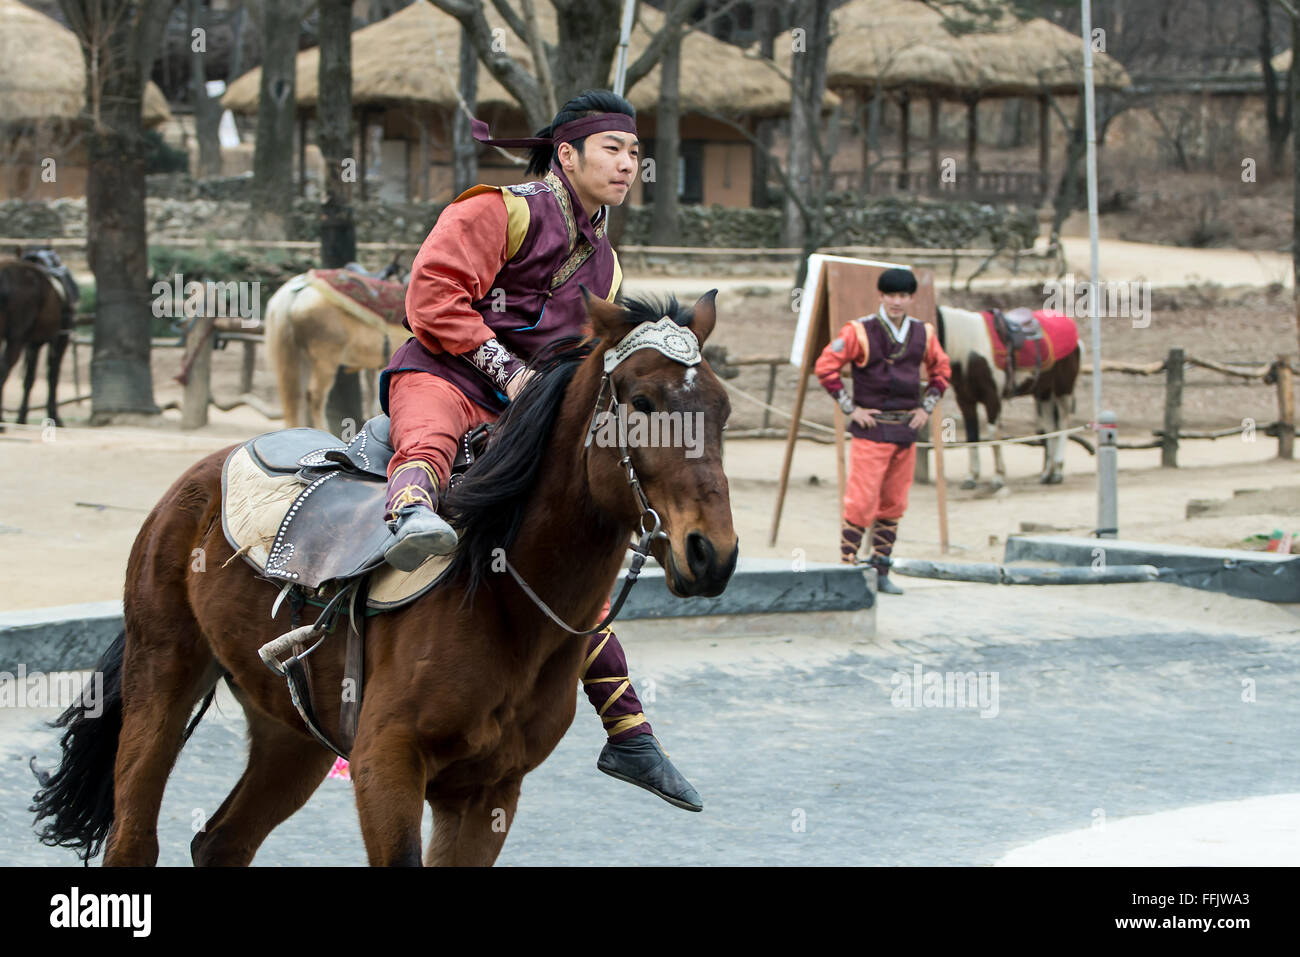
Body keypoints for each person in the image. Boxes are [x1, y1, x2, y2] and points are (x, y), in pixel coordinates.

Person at [375, 90, 701, 811]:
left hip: (530, 418)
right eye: (613, 150)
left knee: (564, 547)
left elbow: (586, 359)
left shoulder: (608, 265)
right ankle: (409, 512)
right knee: (429, 428)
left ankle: (628, 729)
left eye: (636, 154)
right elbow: (430, 298)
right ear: (567, 154)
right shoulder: (497, 211)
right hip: (445, 372)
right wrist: (510, 373)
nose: (628, 165)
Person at [814, 268, 952, 595]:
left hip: (905, 430)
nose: (897, 301)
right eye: (891, 295)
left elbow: (941, 370)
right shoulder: (859, 331)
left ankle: (881, 568)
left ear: (911, 298)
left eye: (903, 295)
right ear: (881, 296)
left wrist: (926, 408)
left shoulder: (924, 333)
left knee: (893, 503)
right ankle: (848, 569)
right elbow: (825, 367)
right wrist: (850, 408)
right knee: (861, 503)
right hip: (871, 431)